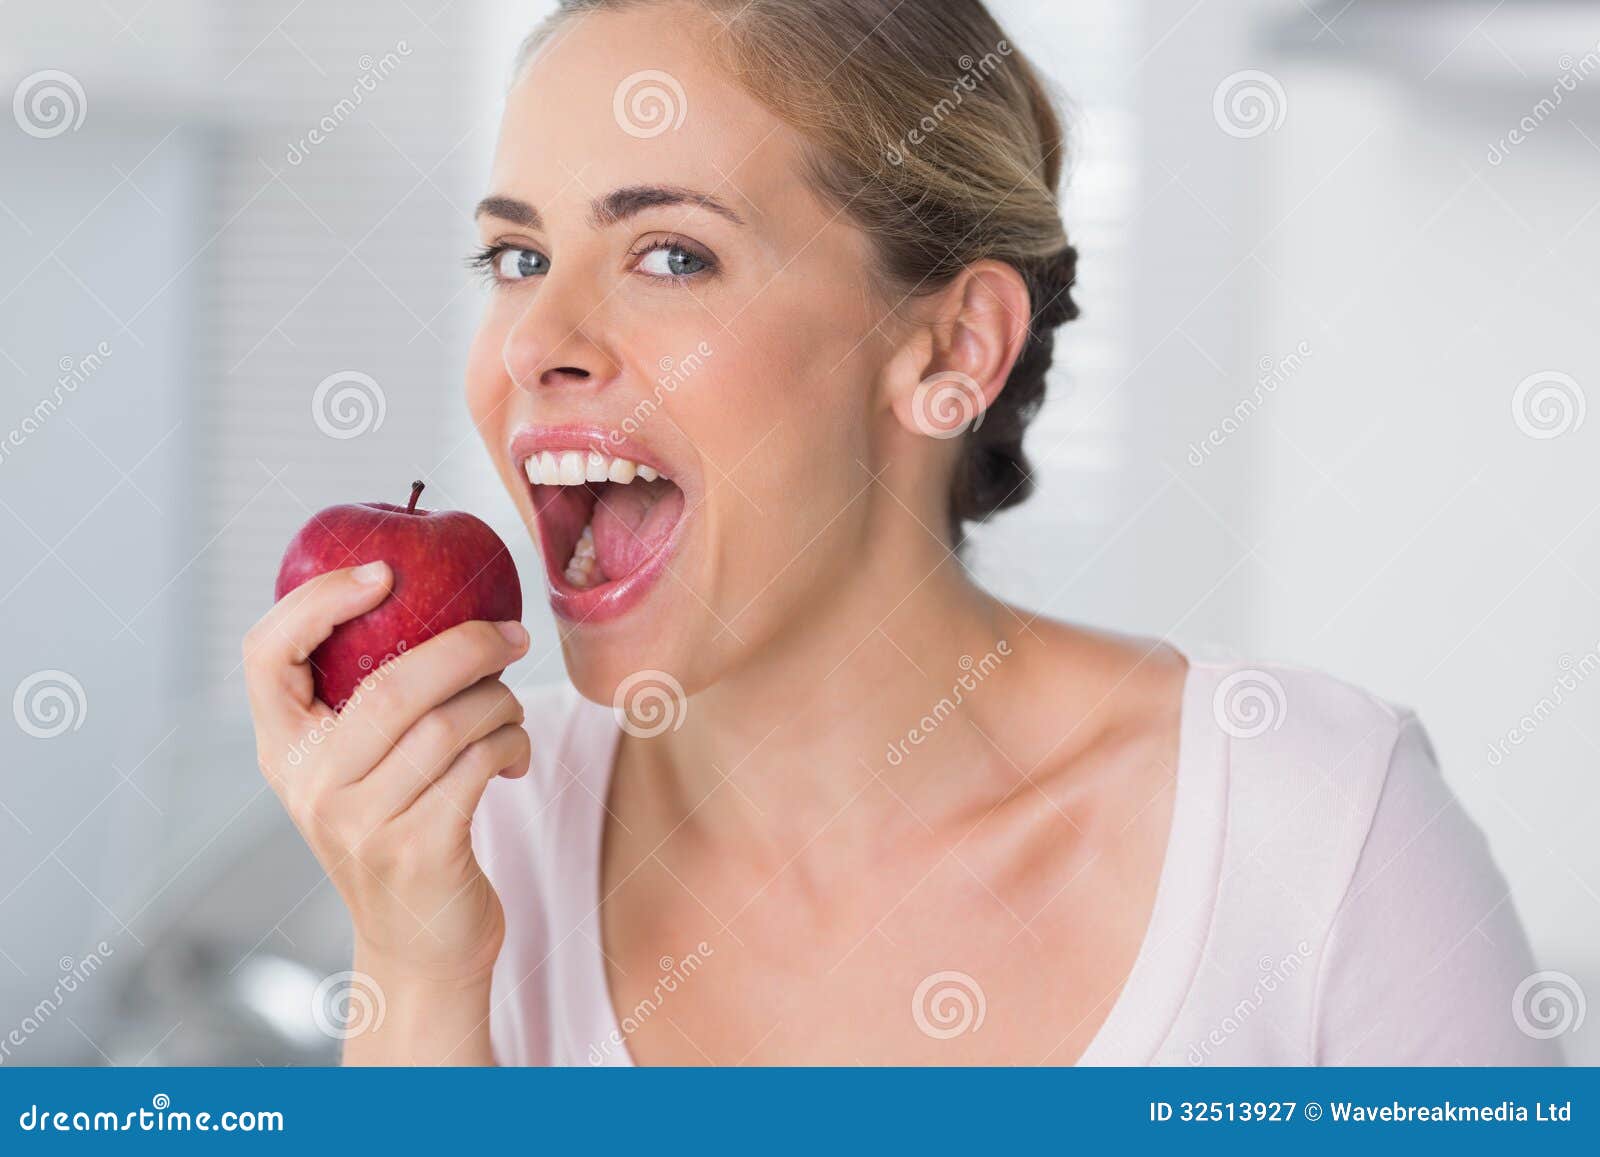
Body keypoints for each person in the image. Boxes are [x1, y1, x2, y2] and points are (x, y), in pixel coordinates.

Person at [243, 0, 1558, 1066]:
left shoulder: (1314, 828)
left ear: (950, 343)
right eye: (518, 260)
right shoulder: (484, 845)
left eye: (670, 255)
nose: (533, 344)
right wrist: (418, 963)